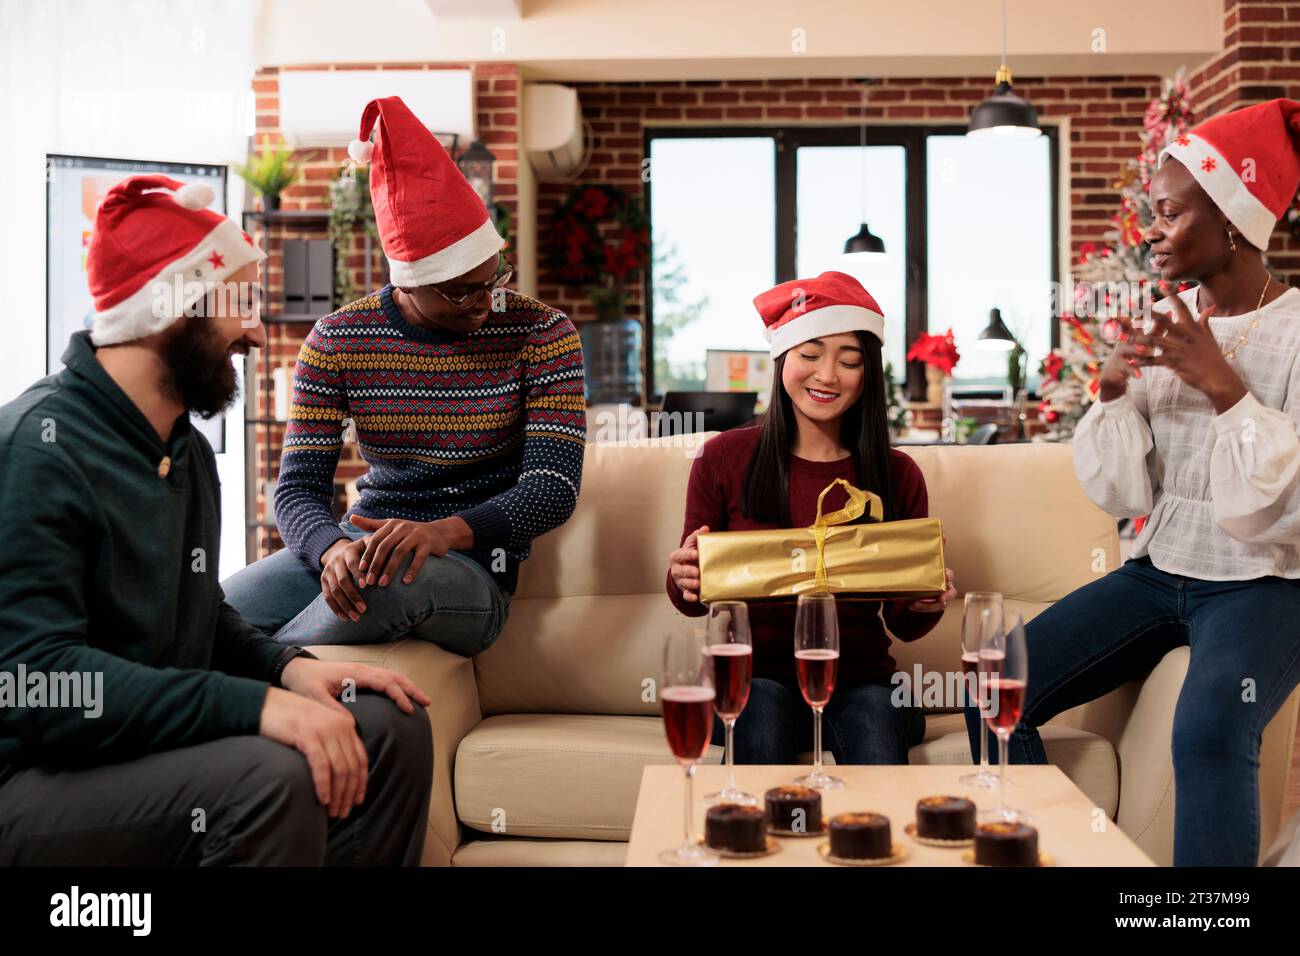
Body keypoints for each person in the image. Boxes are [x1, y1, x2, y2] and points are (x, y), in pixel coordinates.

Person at [0, 175, 432, 865]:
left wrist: (287, 671)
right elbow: (38, 684)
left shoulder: (187, 452)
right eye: (241, 304)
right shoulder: (35, 449)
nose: (255, 332)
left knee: (387, 727)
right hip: (35, 779)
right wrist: (251, 708)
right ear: (173, 306)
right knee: (272, 779)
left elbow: (202, 615)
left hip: (142, 746)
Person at [964, 99, 1300, 867]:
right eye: (1152, 212)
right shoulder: (1162, 318)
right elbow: (1127, 490)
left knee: (1213, 722)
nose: (1151, 230)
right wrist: (1112, 389)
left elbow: (1290, 512)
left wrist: (1225, 388)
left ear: (1234, 220)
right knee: (994, 689)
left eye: (1170, 212)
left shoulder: (1296, 330)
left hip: (1268, 581)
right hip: (1159, 571)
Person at [224, 96, 586, 653]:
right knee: (216, 610)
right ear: (407, 285)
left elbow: (551, 488)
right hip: (361, 543)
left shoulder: (543, 332)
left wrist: (440, 533)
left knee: (387, 586)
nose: (485, 303)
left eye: (494, 280)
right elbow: (297, 488)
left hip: (472, 568)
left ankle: (260, 677)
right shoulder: (339, 339)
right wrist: (329, 551)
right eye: (461, 291)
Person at [667, 272, 956, 764]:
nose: (827, 375)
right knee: (761, 715)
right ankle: (750, 841)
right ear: (783, 359)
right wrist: (684, 578)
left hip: (861, 681)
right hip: (750, 678)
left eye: (848, 361)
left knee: (875, 726)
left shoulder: (898, 473)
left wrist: (926, 603)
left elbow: (903, 623)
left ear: (867, 376)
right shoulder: (722, 457)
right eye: (810, 354)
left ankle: (870, 842)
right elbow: (692, 599)